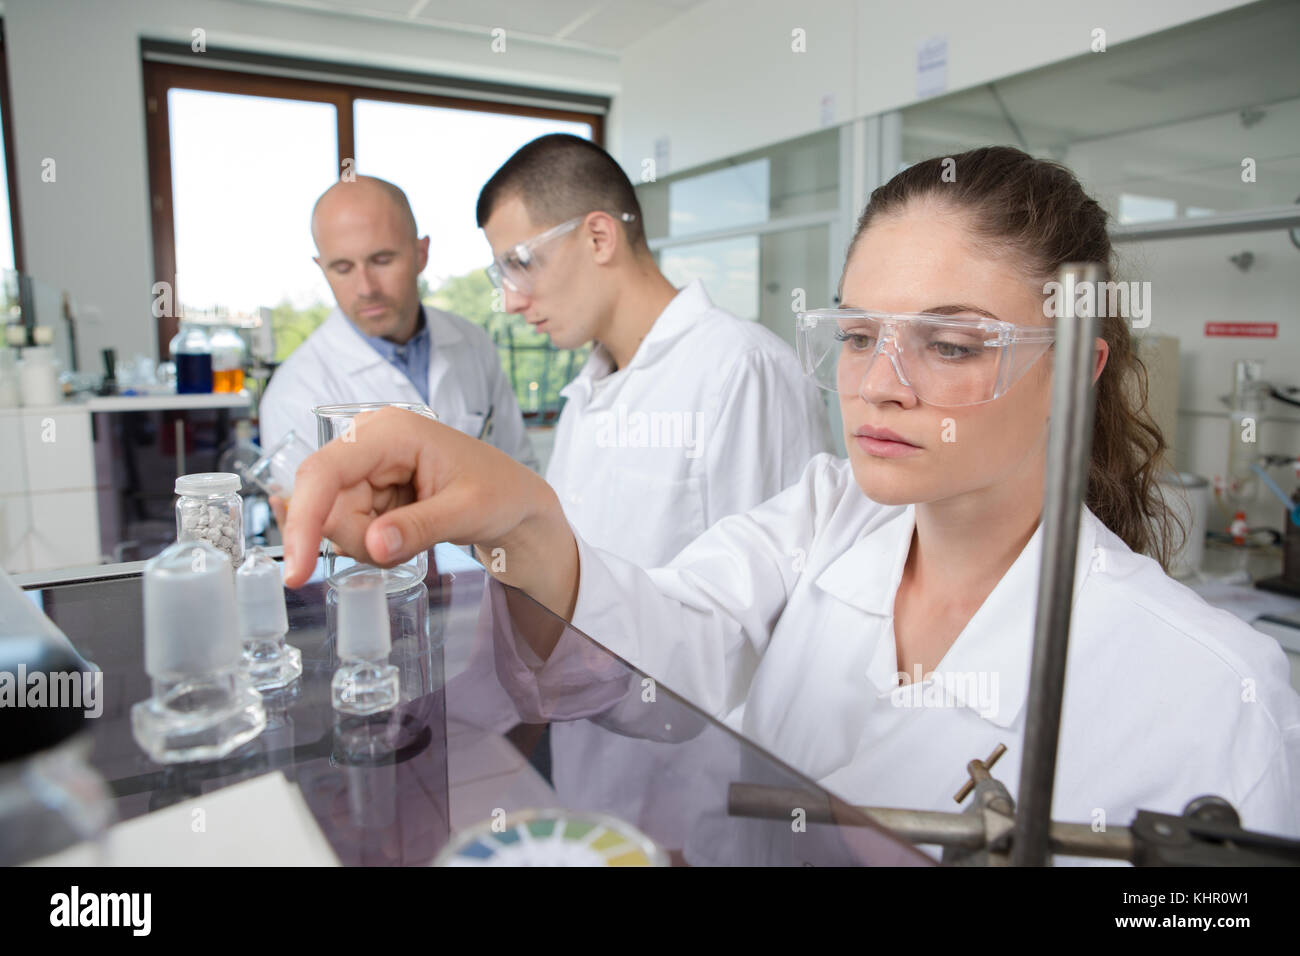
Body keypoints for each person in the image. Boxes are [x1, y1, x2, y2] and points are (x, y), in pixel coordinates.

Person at [282, 147, 1300, 862]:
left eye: (949, 343)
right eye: (858, 333)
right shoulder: (825, 512)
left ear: (1079, 366)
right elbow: (670, 626)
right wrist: (518, 519)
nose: (878, 383)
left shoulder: (1216, 695)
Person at [473, 134, 832, 838]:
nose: (514, 300)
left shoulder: (741, 369)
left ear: (599, 235)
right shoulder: (589, 395)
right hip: (597, 780)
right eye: (501, 275)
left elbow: (771, 630)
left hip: (704, 803)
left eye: (521, 263)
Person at [259, 175, 536, 468]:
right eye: (342, 268)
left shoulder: (473, 343)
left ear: (421, 254)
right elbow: (315, 510)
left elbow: (520, 468)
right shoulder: (294, 393)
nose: (366, 288)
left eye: (382, 260)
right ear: (322, 268)